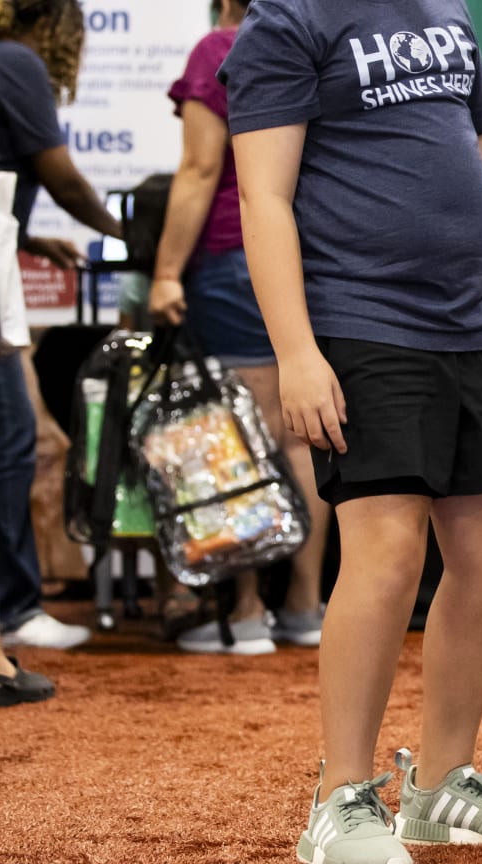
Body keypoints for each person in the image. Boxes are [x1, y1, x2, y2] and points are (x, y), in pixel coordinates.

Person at [221, 0, 482, 860]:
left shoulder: (446, 9)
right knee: (388, 550)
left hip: (477, 323)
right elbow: (263, 195)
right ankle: (339, 803)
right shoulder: (286, 21)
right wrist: (295, 348)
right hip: (361, 321)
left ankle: (442, 787)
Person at [147, 0, 328, 654]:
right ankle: (305, 608)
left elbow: (200, 171)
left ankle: (247, 612)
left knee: (240, 439)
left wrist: (166, 271)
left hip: (235, 256)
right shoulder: (323, 35)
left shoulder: (220, 47)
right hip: (313, 259)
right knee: (304, 437)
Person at [0, 0, 119, 653]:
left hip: (8, 252)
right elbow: (65, 179)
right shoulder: (17, 61)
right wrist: (123, 231)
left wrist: (35, 240)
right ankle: (15, 607)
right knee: (14, 439)